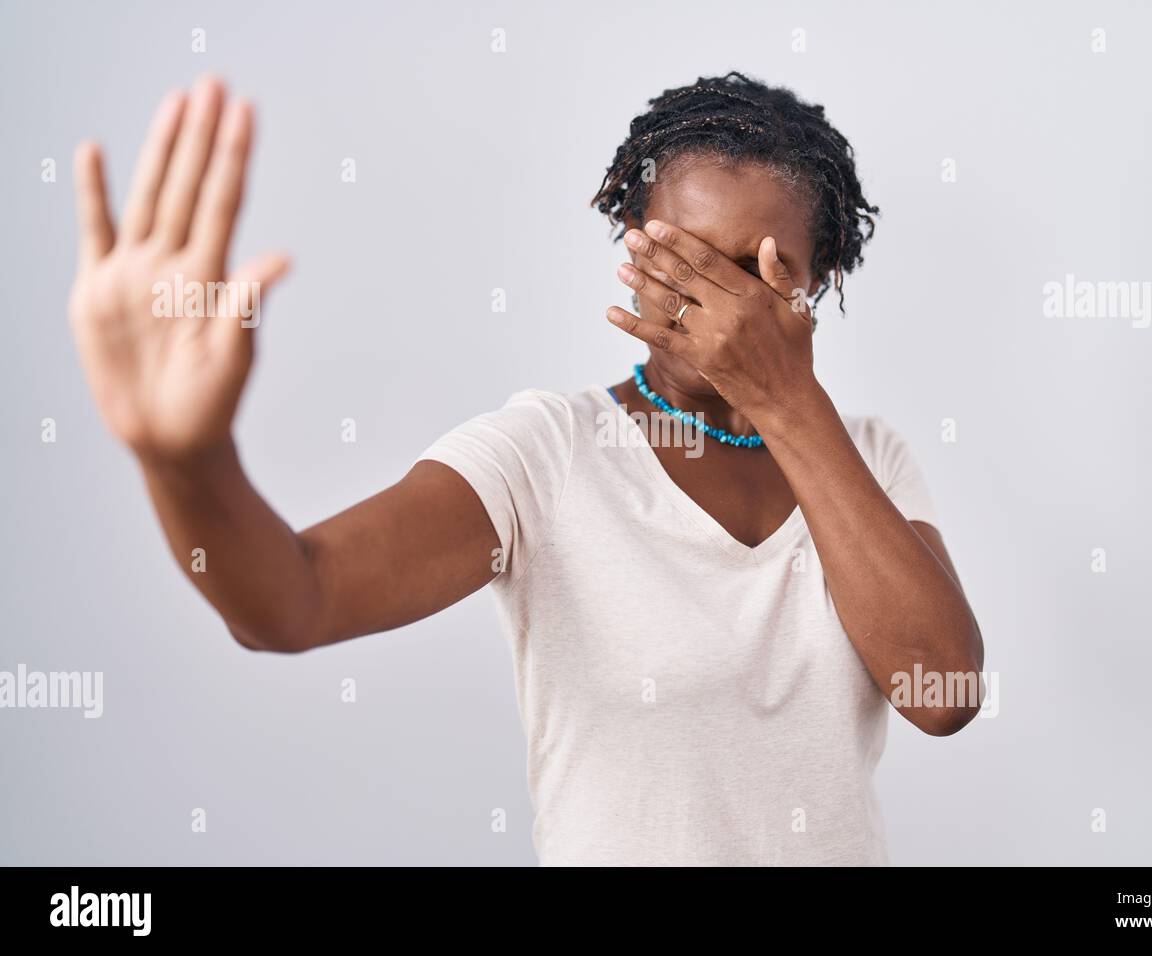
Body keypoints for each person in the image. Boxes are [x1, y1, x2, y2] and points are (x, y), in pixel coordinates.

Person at [68, 71, 984, 866]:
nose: (716, 303)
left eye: (757, 271)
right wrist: (188, 464)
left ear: (818, 282)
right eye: (683, 257)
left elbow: (942, 691)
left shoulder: (866, 458)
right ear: (632, 240)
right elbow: (293, 602)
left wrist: (787, 403)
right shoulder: (546, 454)